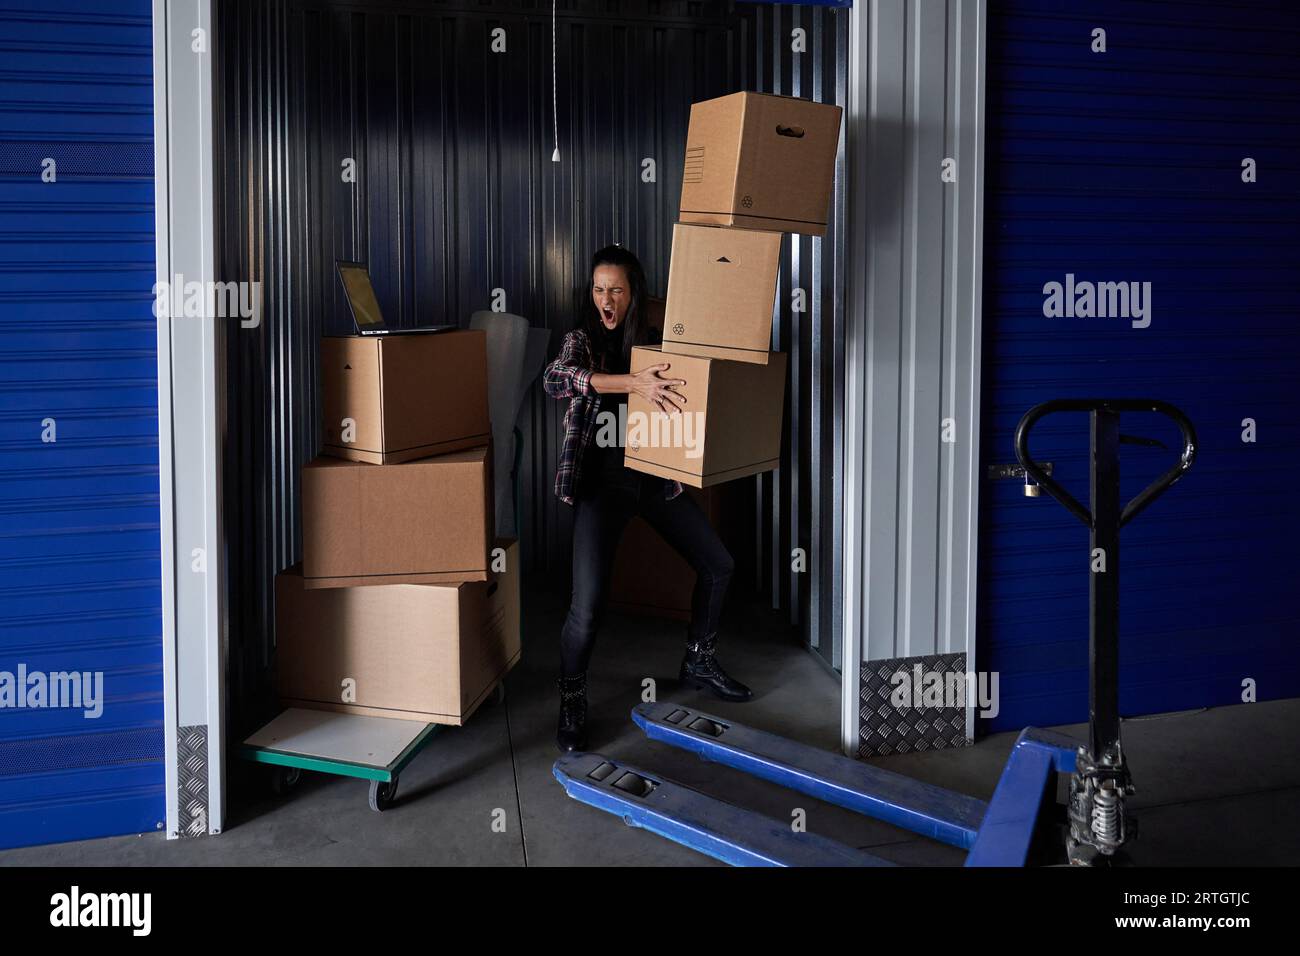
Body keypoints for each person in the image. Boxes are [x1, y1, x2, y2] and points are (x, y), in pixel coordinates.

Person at [542, 245, 750, 753]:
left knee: (718, 565)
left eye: (615, 289)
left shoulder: (656, 341)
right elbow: (556, 379)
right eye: (597, 289)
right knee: (586, 608)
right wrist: (628, 383)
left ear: (633, 293)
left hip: (654, 478)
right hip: (600, 485)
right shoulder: (582, 340)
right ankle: (572, 698)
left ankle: (698, 660)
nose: (605, 299)